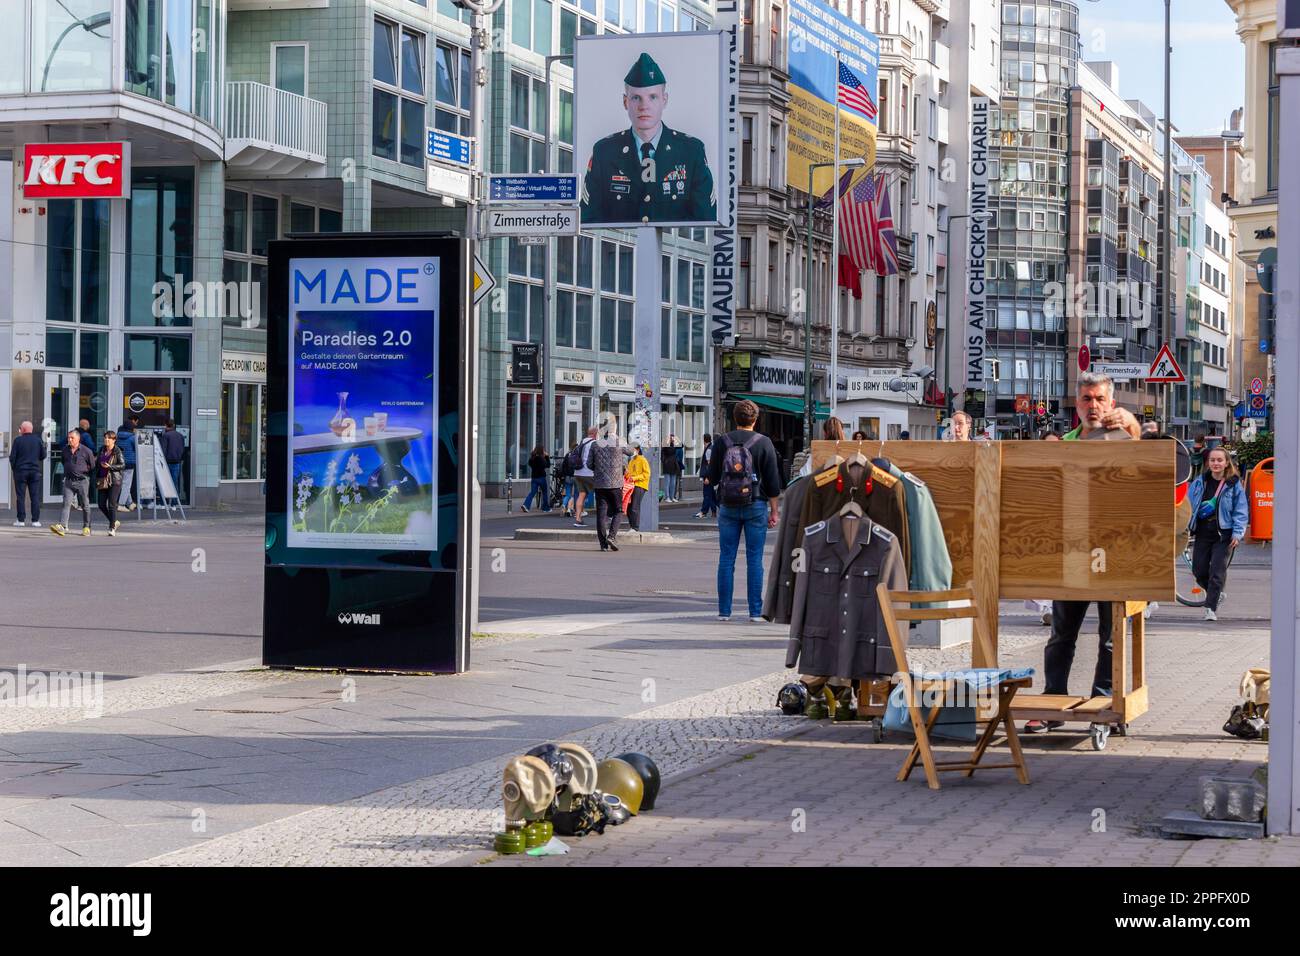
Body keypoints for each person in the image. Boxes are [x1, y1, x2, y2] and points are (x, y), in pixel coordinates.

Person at [1025, 372, 1141, 732]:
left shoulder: (1125, 439)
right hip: (1074, 551)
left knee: (1110, 637)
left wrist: (1134, 424)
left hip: (1115, 550)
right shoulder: (1067, 443)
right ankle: (1052, 702)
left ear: (1112, 402)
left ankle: (1104, 705)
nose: (1094, 406)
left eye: (1099, 399)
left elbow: (1146, 459)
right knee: (1062, 633)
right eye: (1087, 399)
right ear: (1078, 404)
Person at [580, 52, 717, 225]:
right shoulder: (605, 152)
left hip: (670, 251)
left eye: (652, 97)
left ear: (664, 100)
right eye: (636, 97)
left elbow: (705, 221)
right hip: (621, 251)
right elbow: (588, 220)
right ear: (625, 102)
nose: (644, 106)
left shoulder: (691, 151)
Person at [704, 399, 782, 622]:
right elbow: (773, 482)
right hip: (756, 504)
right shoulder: (764, 443)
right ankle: (755, 612)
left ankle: (724, 612)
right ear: (755, 420)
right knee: (754, 559)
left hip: (728, 505)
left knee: (726, 558)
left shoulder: (722, 442)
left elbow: (711, 476)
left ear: (734, 419)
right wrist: (774, 511)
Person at [1186, 446, 1248, 622]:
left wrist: (1237, 533)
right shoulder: (1200, 481)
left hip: (1224, 534)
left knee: (1217, 571)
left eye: (1219, 460)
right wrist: (1185, 525)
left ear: (1226, 462)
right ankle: (1217, 593)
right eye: (1212, 460)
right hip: (1203, 532)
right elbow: (1189, 505)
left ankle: (1210, 608)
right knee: (1199, 570)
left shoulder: (1233, 484)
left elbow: (1241, 510)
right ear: (1208, 463)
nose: (1216, 463)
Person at [589, 426, 636, 551]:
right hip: (615, 484)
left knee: (601, 514)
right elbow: (631, 451)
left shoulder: (595, 445)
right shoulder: (618, 442)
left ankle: (603, 544)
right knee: (618, 510)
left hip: (599, 484)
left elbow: (589, 464)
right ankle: (612, 536)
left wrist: (599, 470)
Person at [50, 428, 97, 537]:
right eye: (69, 438)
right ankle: (63, 526)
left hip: (82, 481)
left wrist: (83, 472)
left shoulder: (86, 451)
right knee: (66, 504)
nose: (70, 440)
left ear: (78, 439)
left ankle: (86, 527)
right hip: (69, 481)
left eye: (72, 438)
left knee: (85, 504)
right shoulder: (65, 450)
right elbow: (63, 461)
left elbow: (92, 465)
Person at [9, 420, 46, 527]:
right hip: (34, 471)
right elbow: (43, 455)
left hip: (20, 472)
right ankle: (35, 521)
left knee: (20, 496)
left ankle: (21, 520)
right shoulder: (38, 440)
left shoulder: (17, 440)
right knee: (34, 496)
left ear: (23, 429)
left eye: (20, 427)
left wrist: (15, 469)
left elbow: (12, 458)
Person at [96, 430, 125, 537]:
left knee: (112, 505)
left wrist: (110, 467)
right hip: (103, 480)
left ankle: (112, 527)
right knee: (101, 504)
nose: (106, 440)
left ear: (114, 440)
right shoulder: (101, 449)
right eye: (105, 438)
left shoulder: (117, 451)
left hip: (114, 481)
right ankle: (114, 521)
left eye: (109, 438)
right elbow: (97, 461)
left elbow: (122, 465)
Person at [571, 426, 598, 526]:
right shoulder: (594, 443)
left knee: (581, 495)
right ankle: (603, 519)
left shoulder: (582, 442)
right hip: (589, 473)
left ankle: (578, 519)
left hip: (577, 472)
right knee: (601, 493)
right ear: (595, 434)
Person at [158, 420, 186, 505]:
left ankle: (163, 503)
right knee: (174, 483)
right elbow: (182, 449)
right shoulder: (180, 436)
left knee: (164, 482)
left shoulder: (166, 436)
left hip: (167, 463)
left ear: (166, 425)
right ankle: (174, 503)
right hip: (177, 462)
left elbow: (163, 450)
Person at [116, 414, 140, 512]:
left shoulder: (117, 437)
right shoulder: (132, 437)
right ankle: (121, 504)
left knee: (124, 483)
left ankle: (130, 503)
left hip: (119, 462)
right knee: (126, 484)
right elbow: (138, 448)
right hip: (129, 463)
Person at [626, 444, 651, 530]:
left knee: (634, 507)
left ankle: (635, 527)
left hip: (640, 485)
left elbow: (646, 474)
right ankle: (632, 526)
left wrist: (634, 478)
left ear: (637, 449)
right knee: (629, 507)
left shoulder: (642, 460)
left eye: (632, 449)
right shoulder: (632, 460)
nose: (630, 451)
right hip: (631, 485)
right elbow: (629, 473)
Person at [521, 445, 551, 513]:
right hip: (541, 478)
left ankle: (526, 505)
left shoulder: (532, 458)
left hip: (534, 478)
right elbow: (548, 465)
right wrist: (547, 456)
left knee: (532, 492)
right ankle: (545, 508)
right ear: (541, 450)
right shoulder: (541, 459)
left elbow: (529, 463)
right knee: (544, 492)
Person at [695, 434, 717, 518]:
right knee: (711, 495)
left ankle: (704, 511)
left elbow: (709, 465)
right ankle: (713, 511)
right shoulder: (711, 447)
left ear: (704, 440)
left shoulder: (708, 450)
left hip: (708, 476)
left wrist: (707, 477)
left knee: (707, 494)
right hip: (711, 475)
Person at [661, 435, 683, 502]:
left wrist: (676, 439)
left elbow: (681, 445)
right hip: (667, 465)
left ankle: (672, 496)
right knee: (667, 482)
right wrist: (668, 441)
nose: (671, 439)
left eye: (672, 438)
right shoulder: (665, 445)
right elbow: (666, 452)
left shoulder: (674, 445)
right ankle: (667, 497)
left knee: (673, 483)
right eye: (671, 438)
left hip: (674, 465)